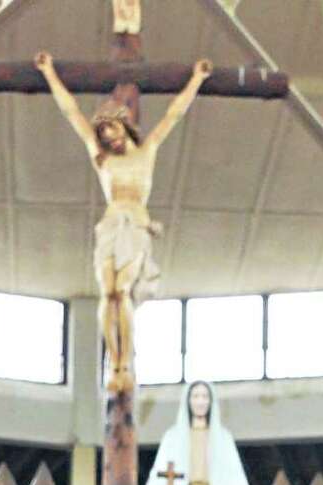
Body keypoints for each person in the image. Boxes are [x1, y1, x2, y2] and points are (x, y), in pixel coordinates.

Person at [35, 53, 211, 393]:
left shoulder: (147, 151)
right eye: (102, 133)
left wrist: (197, 80)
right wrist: (48, 73)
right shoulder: (103, 161)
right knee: (107, 292)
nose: (108, 137)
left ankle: (125, 362)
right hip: (111, 225)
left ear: (122, 124)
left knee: (122, 292)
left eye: (111, 129)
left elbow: (175, 113)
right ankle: (112, 361)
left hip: (136, 226)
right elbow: (71, 112)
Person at [141, 380, 256, 485]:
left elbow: (234, 475)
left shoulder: (224, 438)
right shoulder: (172, 437)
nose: (200, 402)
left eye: (205, 397)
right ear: (188, 401)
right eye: (196, 396)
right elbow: (160, 471)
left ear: (211, 401)